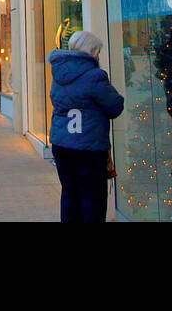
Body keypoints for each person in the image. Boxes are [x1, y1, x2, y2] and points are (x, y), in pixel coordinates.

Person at [48, 29, 125, 223]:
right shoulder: (94, 76)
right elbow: (115, 106)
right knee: (92, 199)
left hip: (61, 142)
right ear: (90, 52)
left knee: (69, 194)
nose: (98, 56)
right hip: (88, 146)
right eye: (97, 52)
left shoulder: (59, 73)